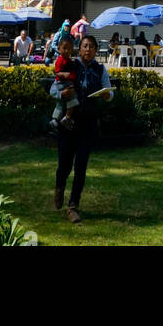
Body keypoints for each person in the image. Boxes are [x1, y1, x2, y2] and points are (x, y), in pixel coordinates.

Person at [54, 35, 114, 222]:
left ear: (96, 50)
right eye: (84, 46)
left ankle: (73, 206)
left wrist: (107, 96)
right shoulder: (70, 65)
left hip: (88, 123)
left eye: (91, 47)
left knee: (81, 166)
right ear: (79, 49)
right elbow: (54, 88)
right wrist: (62, 93)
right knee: (64, 164)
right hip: (69, 123)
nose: (87, 50)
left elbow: (109, 91)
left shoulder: (100, 69)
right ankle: (59, 187)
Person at [51, 36, 80, 129]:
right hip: (61, 84)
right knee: (72, 99)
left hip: (66, 83)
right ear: (59, 48)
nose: (67, 51)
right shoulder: (60, 60)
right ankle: (64, 118)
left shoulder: (68, 60)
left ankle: (58, 119)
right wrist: (68, 75)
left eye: (69, 49)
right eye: (64, 48)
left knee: (62, 104)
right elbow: (58, 72)